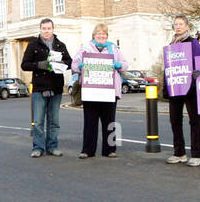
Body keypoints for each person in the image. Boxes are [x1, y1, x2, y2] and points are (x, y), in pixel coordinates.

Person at [71, 23, 128, 159]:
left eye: (104, 34)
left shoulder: (113, 48)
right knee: (90, 122)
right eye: (99, 33)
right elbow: (73, 65)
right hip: (91, 90)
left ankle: (109, 150)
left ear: (107, 36)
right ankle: (87, 150)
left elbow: (125, 65)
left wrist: (118, 65)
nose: (101, 36)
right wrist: (80, 66)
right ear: (94, 35)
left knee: (110, 121)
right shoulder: (85, 48)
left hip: (110, 91)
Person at [20, 18, 73, 158]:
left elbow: (70, 62)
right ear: (40, 29)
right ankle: (38, 147)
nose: (46, 31)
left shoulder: (60, 45)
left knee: (54, 121)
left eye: (49, 28)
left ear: (53, 29)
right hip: (39, 87)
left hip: (56, 87)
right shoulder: (33, 45)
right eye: (44, 28)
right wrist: (39, 65)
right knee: (38, 121)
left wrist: (61, 64)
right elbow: (24, 65)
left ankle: (52, 147)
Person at [163, 15, 200, 166]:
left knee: (194, 120)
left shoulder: (193, 42)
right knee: (175, 120)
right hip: (175, 86)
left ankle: (198, 154)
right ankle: (179, 152)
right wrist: (166, 87)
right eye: (176, 24)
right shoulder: (171, 44)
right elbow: (168, 67)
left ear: (187, 26)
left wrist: (195, 78)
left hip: (190, 87)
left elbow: (198, 63)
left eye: (181, 24)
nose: (178, 26)